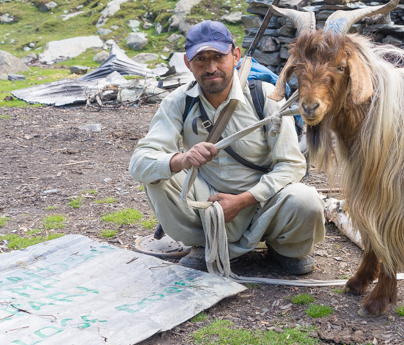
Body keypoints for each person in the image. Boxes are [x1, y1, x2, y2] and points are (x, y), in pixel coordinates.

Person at [128, 21, 324, 274]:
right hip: (206, 203)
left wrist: (242, 201)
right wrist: (181, 159)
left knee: (306, 199)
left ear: (235, 55)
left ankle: (285, 247)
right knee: (157, 177)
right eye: (201, 59)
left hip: (262, 203)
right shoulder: (177, 102)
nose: (211, 68)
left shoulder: (267, 96)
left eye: (219, 57)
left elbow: (292, 164)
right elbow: (139, 162)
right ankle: (203, 243)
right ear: (188, 64)